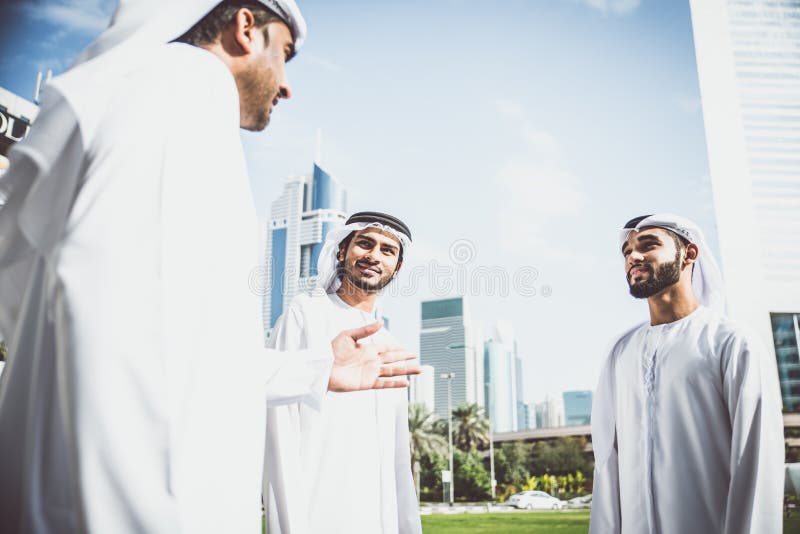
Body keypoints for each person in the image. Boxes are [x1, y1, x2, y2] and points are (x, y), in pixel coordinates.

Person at [0, 2, 418, 533]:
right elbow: (122, 336)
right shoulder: (183, 96)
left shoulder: (151, 95)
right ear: (247, 29)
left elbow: (175, 337)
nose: (286, 85)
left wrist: (315, 369)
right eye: (284, 53)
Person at [589, 213, 784, 534]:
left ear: (689, 254)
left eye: (648, 246)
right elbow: (607, 466)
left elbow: (757, 464)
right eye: (626, 252)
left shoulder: (731, 341)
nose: (633, 257)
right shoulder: (619, 353)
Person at [264, 211, 422, 534]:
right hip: (315, 517)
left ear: (397, 267)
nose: (374, 256)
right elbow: (278, 433)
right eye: (365, 243)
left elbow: (398, 463)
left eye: (387, 250)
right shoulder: (304, 316)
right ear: (341, 251)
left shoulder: (390, 346)